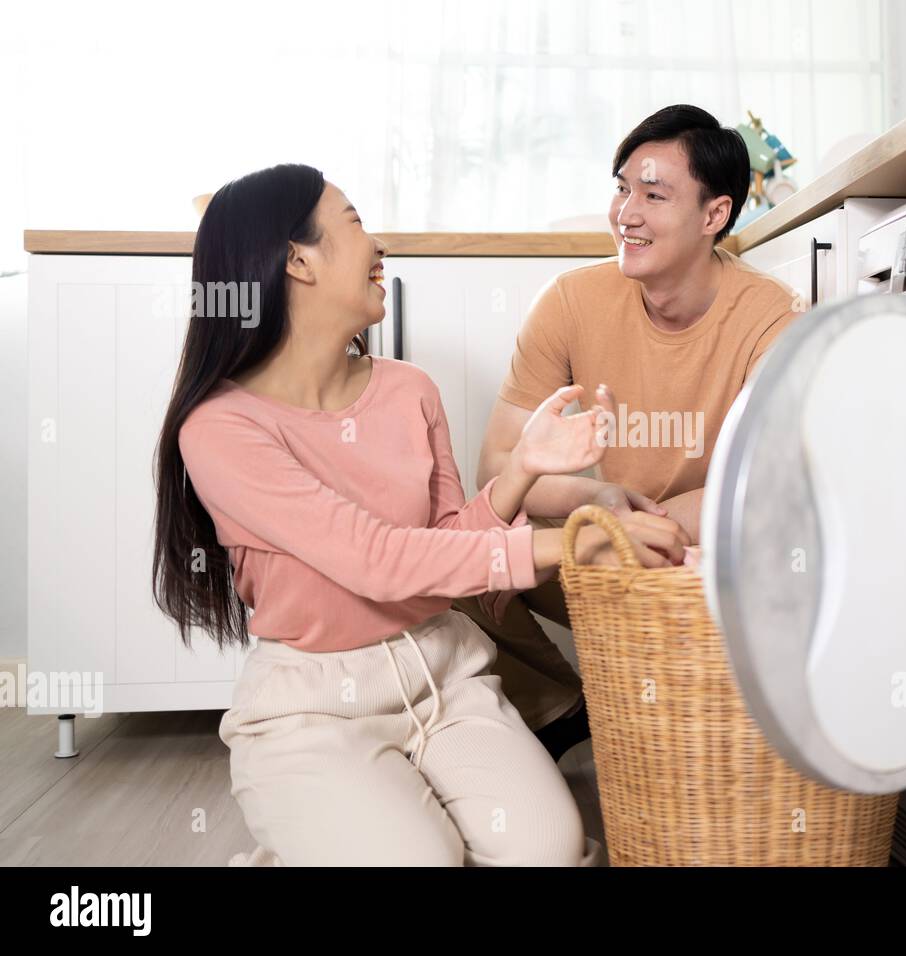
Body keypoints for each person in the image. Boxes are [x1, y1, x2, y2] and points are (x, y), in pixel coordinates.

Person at [151, 163, 687, 865]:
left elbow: (440, 557)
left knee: (547, 852)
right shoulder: (222, 427)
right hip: (311, 709)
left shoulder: (409, 390)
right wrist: (567, 544)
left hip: (445, 678)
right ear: (297, 261)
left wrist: (524, 468)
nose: (378, 247)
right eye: (354, 222)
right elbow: (372, 558)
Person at [457, 105, 801, 757]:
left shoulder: (771, 316)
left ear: (713, 215)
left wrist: (648, 529)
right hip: (608, 543)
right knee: (461, 545)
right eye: (621, 188)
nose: (627, 213)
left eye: (653, 194)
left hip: (709, 560)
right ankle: (563, 707)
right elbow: (496, 467)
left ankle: (691, 731)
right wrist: (597, 505)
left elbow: (766, 486)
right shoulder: (569, 300)